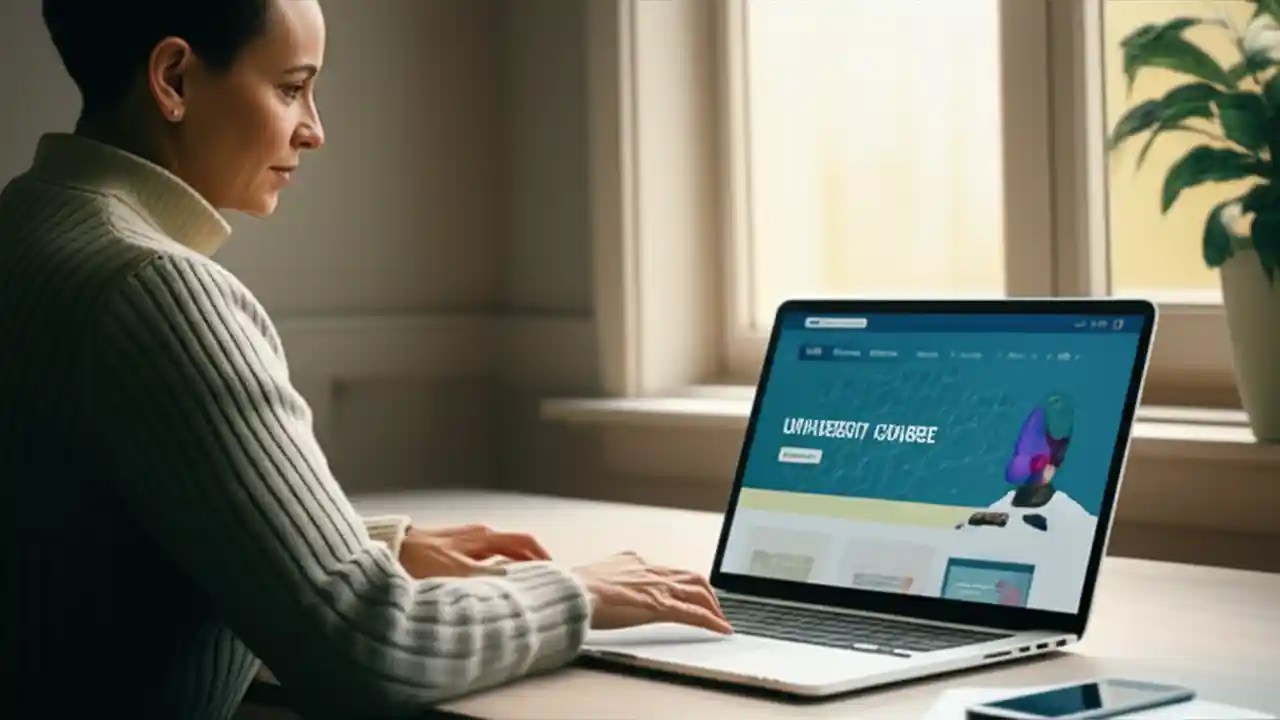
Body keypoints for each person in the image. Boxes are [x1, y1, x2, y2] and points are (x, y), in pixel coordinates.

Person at [0, 1, 731, 717]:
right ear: (174, 80)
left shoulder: (26, 229)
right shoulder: (156, 291)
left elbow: (104, 531)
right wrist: (582, 589)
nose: (314, 130)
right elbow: (370, 643)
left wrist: (366, 546)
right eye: (291, 88)